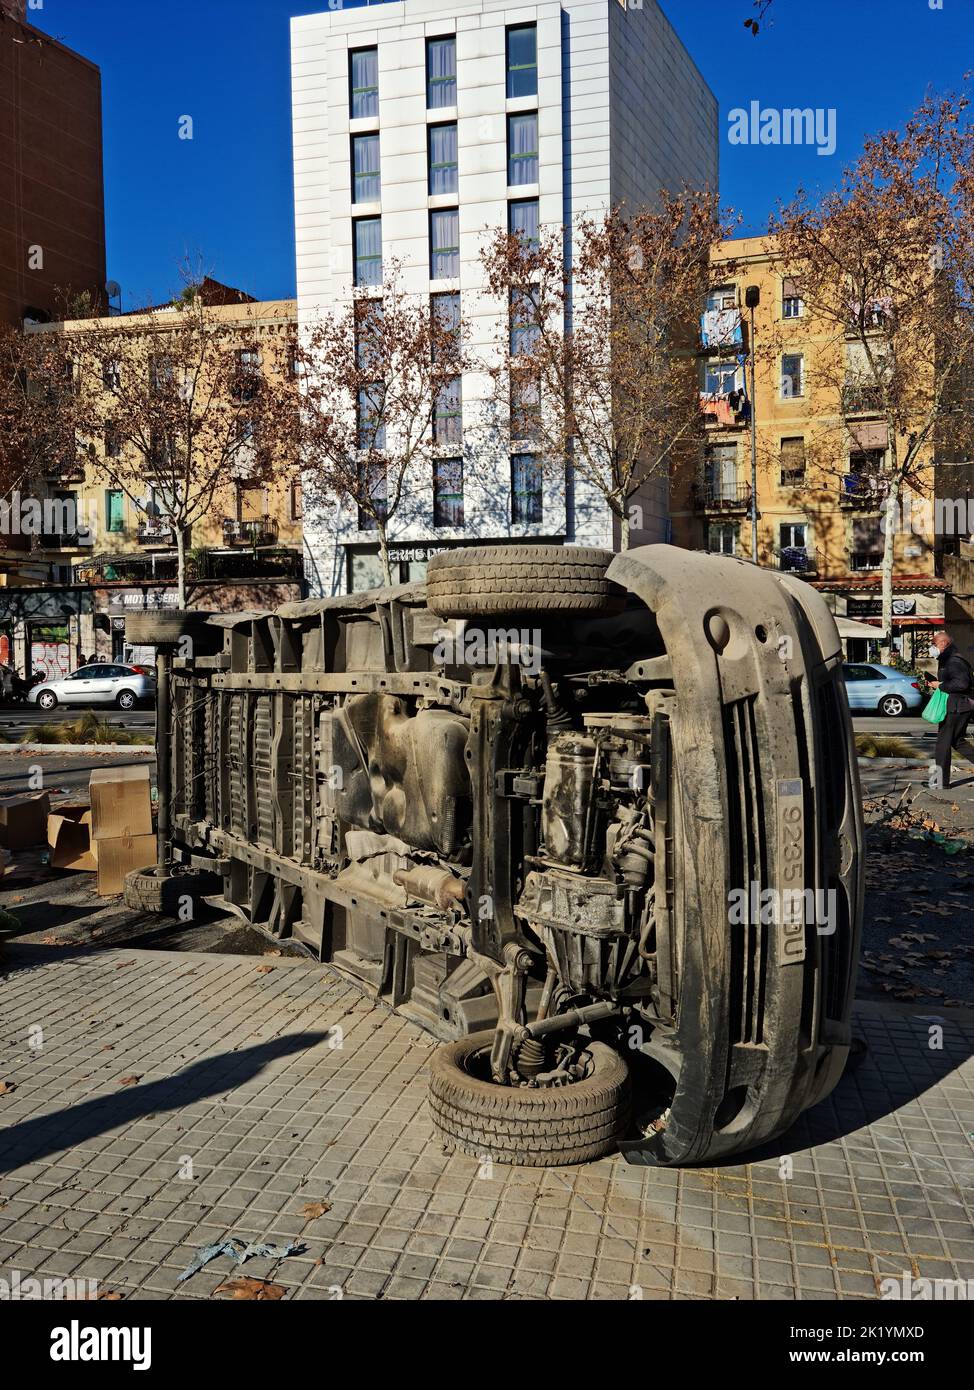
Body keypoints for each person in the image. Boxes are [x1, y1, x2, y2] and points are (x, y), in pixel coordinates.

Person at [927, 630, 974, 788]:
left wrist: (940, 685)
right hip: (959, 706)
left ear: (943, 644)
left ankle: (941, 782)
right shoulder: (949, 659)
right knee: (957, 741)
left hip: (956, 707)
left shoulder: (953, 661)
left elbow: (961, 684)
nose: (931, 647)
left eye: (934, 644)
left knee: (943, 744)